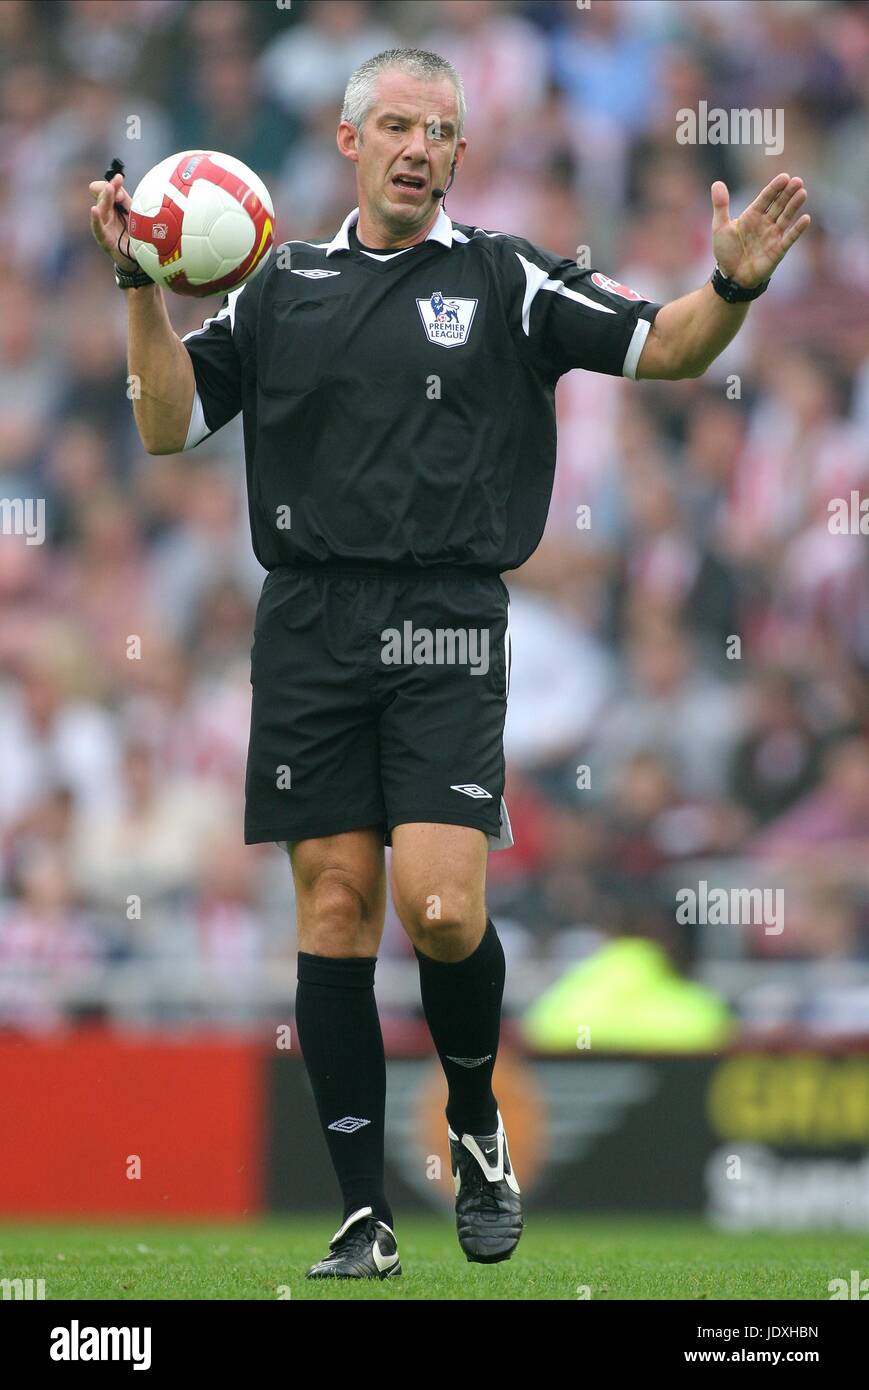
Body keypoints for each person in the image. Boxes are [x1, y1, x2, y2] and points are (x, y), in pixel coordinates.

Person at [89, 47, 810, 1280]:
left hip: (445, 619)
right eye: (401, 126)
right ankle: (363, 1215)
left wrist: (728, 287)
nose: (423, 146)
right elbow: (164, 425)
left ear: (459, 154)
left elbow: (667, 347)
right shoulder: (276, 287)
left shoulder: (505, 279)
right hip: (309, 621)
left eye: (443, 130)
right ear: (349, 140)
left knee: (436, 905)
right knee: (330, 907)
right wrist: (139, 285)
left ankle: (474, 1122)